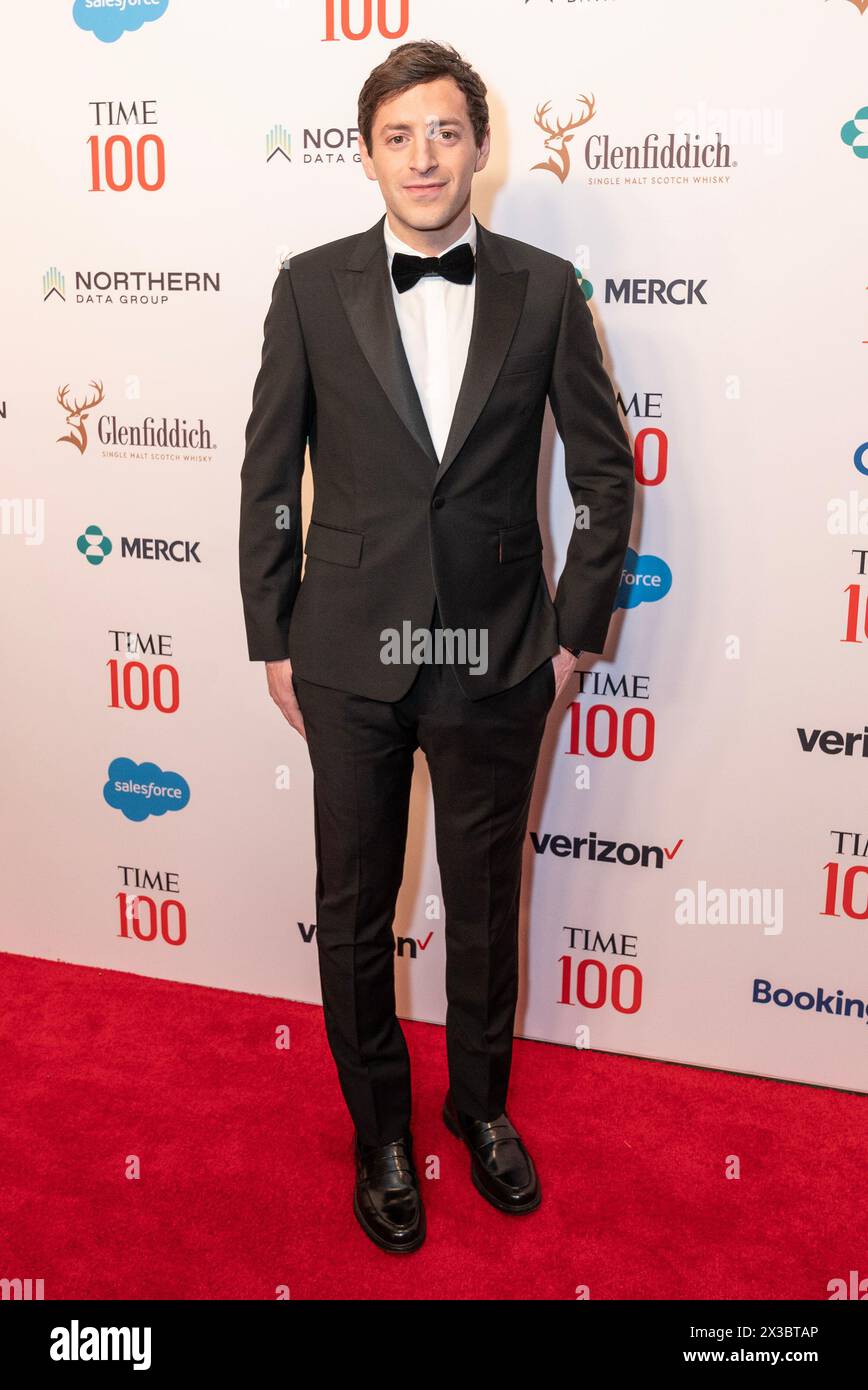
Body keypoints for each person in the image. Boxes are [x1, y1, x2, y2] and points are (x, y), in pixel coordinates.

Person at [239, 39, 634, 1254]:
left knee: (481, 905)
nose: (424, 155)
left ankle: (480, 1107)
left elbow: (605, 473)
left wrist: (572, 634)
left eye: (446, 132)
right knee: (355, 910)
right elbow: (269, 473)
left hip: (498, 651)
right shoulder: (308, 285)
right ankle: (380, 1134)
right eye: (400, 134)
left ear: (480, 146)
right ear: (368, 153)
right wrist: (272, 632)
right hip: (348, 653)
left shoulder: (545, 285)